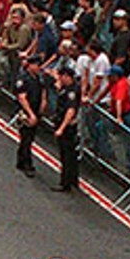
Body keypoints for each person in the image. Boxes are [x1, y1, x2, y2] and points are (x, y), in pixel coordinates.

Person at [52, 64, 81, 192]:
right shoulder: (67, 89)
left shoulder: (71, 92)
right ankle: (73, 180)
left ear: (66, 76)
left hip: (67, 127)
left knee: (67, 155)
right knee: (70, 155)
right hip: (65, 124)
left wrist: (61, 128)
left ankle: (66, 183)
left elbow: (70, 110)